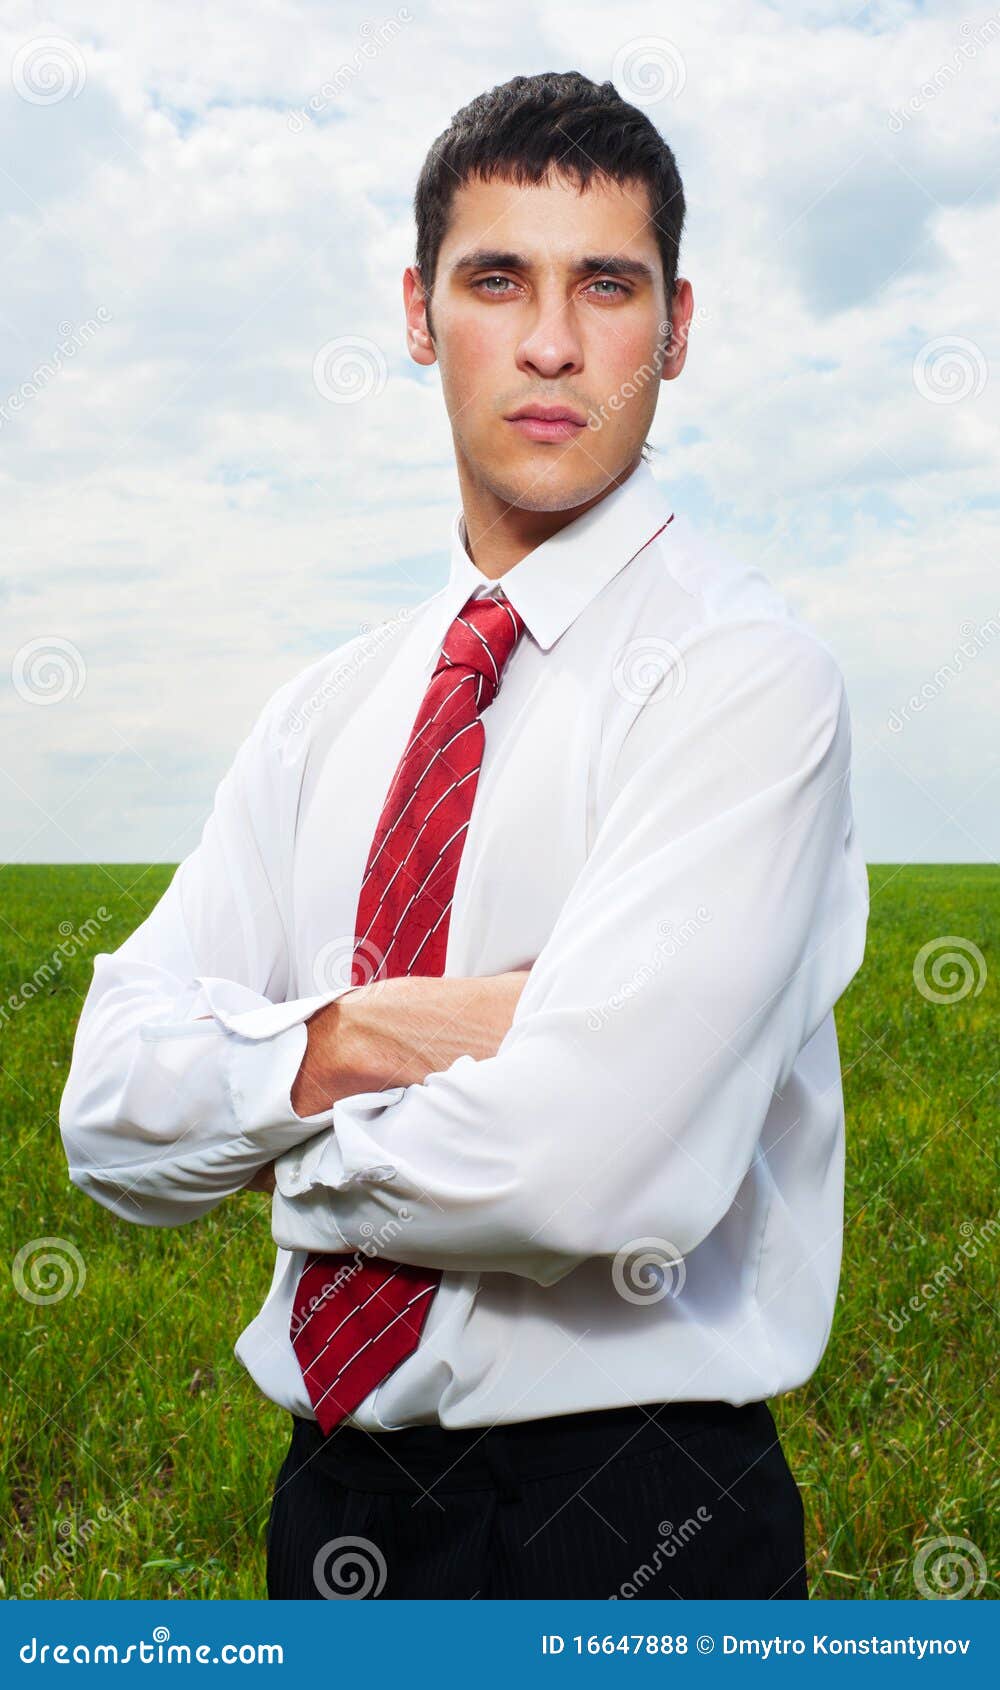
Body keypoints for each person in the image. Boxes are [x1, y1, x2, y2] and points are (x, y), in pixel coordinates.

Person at [59, 70, 870, 1601]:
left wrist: (257, 1145)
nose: (553, 342)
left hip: (638, 1513)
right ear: (422, 315)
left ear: (677, 328)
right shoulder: (325, 709)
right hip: (335, 1506)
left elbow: (588, 1171)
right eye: (498, 279)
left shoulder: (748, 680)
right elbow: (104, 1106)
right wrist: (357, 1037)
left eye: (606, 286)